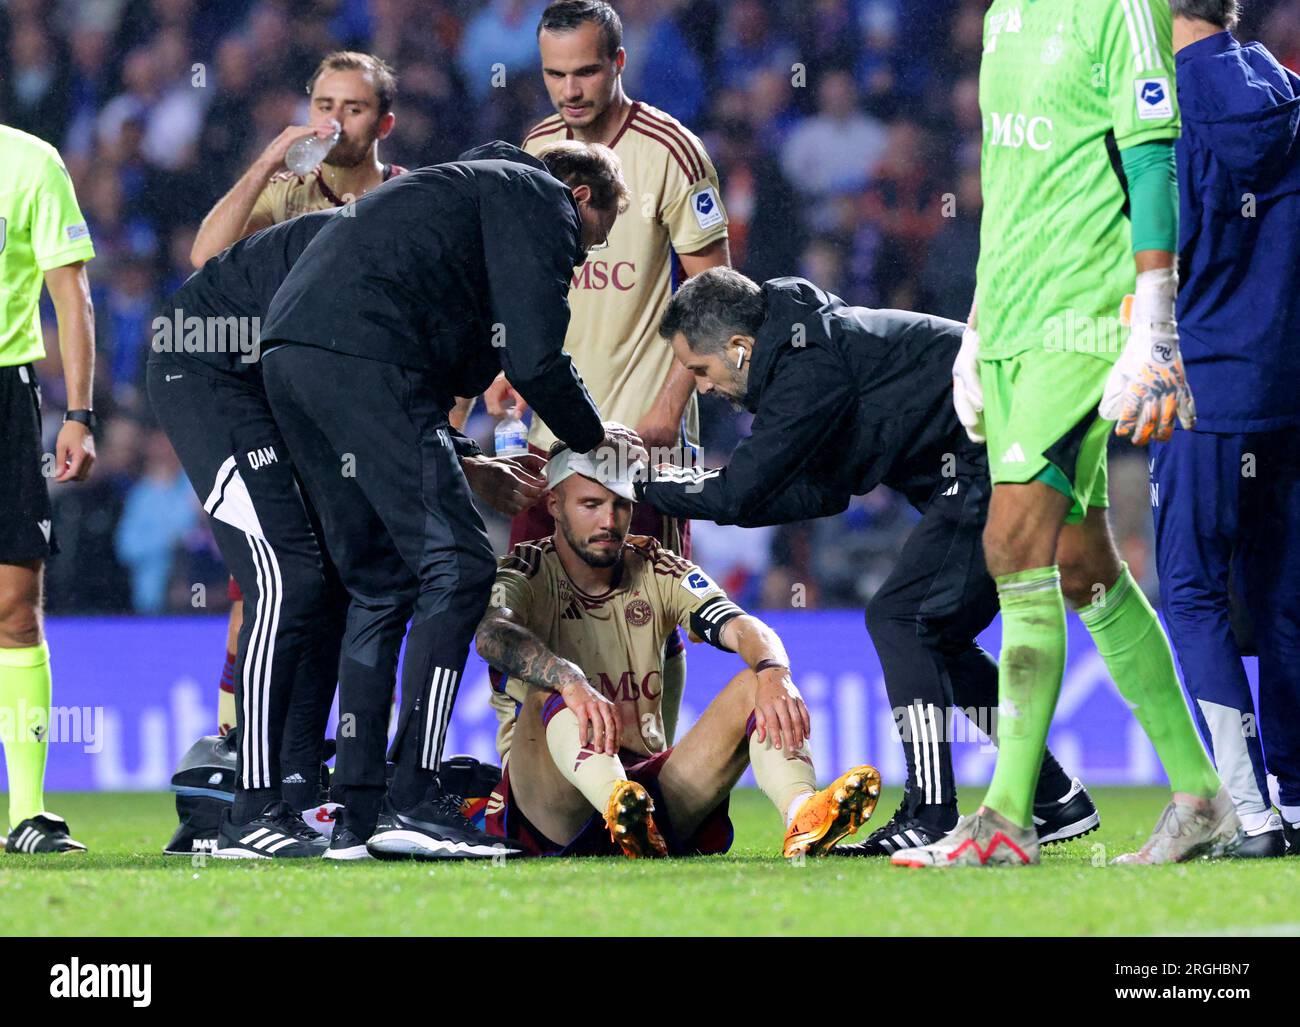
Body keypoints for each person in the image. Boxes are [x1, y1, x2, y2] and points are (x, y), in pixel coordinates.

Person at [902, 0, 1235, 867]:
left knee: (1011, 543)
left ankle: (1007, 817)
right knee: (1083, 565)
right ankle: (1201, 794)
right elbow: (1012, 175)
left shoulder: (1123, 6)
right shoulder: (1007, 11)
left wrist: (1154, 319)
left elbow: (1152, 156)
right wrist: (977, 320)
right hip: (1013, 314)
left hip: (1081, 317)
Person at [260, 139, 641, 860]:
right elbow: (535, 357)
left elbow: (438, 342)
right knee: (464, 567)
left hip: (294, 357)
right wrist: (594, 436)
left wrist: (461, 451)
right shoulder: (541, 198)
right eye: (593, 239)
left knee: (380, 578)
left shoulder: (458, 190)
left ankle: (359, 807)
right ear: (583, 198)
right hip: (367, 356)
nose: (583, 257)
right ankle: (413, 798)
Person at [636, 267, 1098, 855]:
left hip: (1000, 453)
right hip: (1000, 450)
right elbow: (819, 493)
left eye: (699, 370)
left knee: (902, 619)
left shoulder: (806, 370)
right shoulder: (799, 350)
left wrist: (643, 486)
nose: (701, 386)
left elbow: (737, 492)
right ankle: (1053, 796)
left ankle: (930, 813)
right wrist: (681, 489)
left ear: (738, 347)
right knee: (938, 635)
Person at [148, 208, 543, 858]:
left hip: (273, 381)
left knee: (339, 573)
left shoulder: (420, 261)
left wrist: (466, 460)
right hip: (203, 369)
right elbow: (382, 396)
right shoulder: (406, 264)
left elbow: (385, 408)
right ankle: (252, 809)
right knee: (286, 576)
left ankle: (313, 798)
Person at [483, 0, 734, 742]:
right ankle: (519, 780)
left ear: (619, 62)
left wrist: (666, 412)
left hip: (642, 436)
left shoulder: (672, 151)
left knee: (647, 616)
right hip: (547, 436)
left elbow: (715, 299)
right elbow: (522, 281)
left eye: (586, 70)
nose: (570, 89)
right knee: (521, 607)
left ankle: (649, 768)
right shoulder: (535, 148)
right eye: (556, 73)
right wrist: (510, 366)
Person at [475, 444, 880, 858]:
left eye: (620, 504)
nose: (608, 520)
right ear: (555, 506)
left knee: (754, 684)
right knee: (551, 690)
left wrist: (775, 671)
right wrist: (569, 678)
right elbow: (491, 633)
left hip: (650, 793)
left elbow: (742, 626)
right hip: (551, 804)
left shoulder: (657, 567)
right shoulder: (524, 572)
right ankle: (618, 804)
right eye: (591, 504)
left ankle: (802, 815)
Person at [190, 51, 407, 743]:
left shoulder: (407, 198)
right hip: (279, 421)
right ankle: (236, 755)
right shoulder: (284, 194)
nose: (335, 123)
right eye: (323, 106)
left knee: (355, 599)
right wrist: (267, 160)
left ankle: (327, 759)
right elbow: (204, 258)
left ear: (385, 122)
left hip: (366, 429)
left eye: (353, 108)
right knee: (261, 595)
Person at [1151, 0, 1300, 856]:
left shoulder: (1160, 106)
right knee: (1284, 596)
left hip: (1204, 385)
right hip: (1286, 387)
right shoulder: (1287, 92)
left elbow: (1153, 249)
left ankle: (1248, 811)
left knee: (1196, 593)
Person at [0, 125, 97, 854]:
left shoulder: (31, 162)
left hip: (7, 393)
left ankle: (27, 811)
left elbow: (71, 292)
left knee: (12, 605)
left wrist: (79, 414)